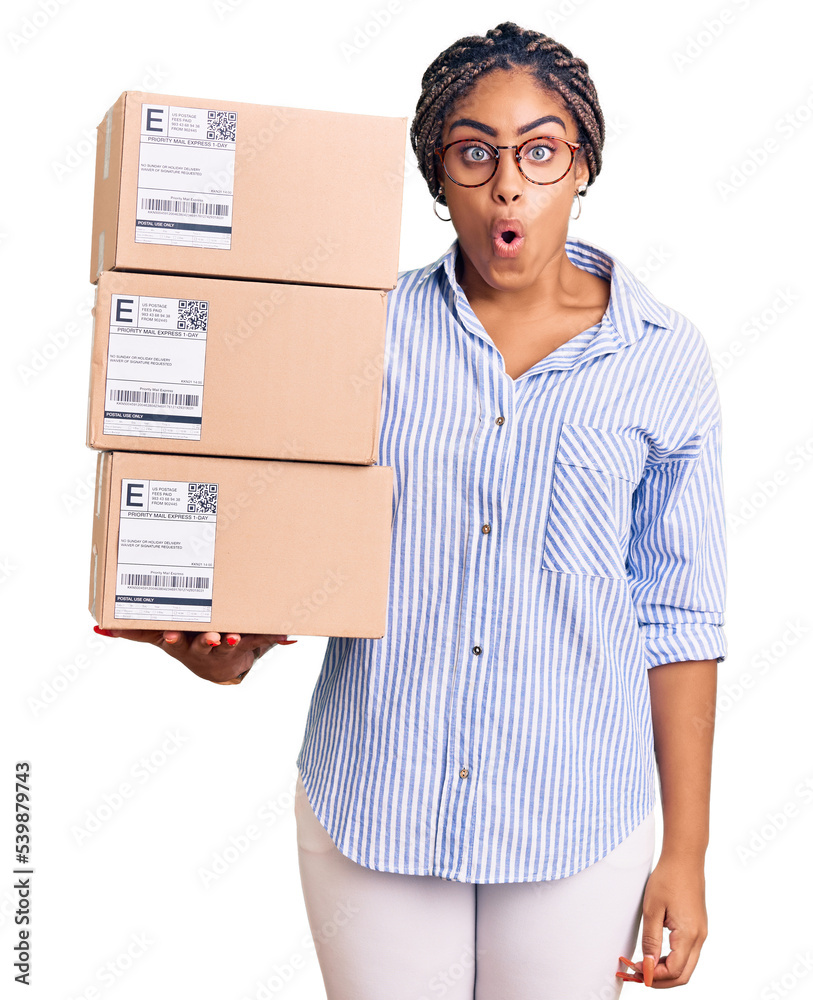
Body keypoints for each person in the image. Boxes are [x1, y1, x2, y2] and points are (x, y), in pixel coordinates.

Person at [101, 21, 727, 998]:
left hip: (577, 817)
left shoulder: (665, 357)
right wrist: (228, 640)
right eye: (473, 152)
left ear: (583, 165)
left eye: (540, 150)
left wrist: (685, 853)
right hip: (376, 797)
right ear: (438, 178)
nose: (508, 184)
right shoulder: (358, 332)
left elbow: (680, 616)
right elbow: (298, 539)